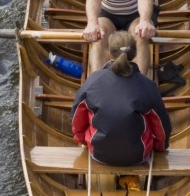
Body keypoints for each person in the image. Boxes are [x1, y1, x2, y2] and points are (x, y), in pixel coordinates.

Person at [71, 31, 171, 167]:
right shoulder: (148, 86)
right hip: (138, 156)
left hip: (99, 154)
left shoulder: (92, 82)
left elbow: (77, 120)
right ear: (135, 54)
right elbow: (161, 127)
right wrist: (161, 147)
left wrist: (82, 140)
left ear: (110, 54)